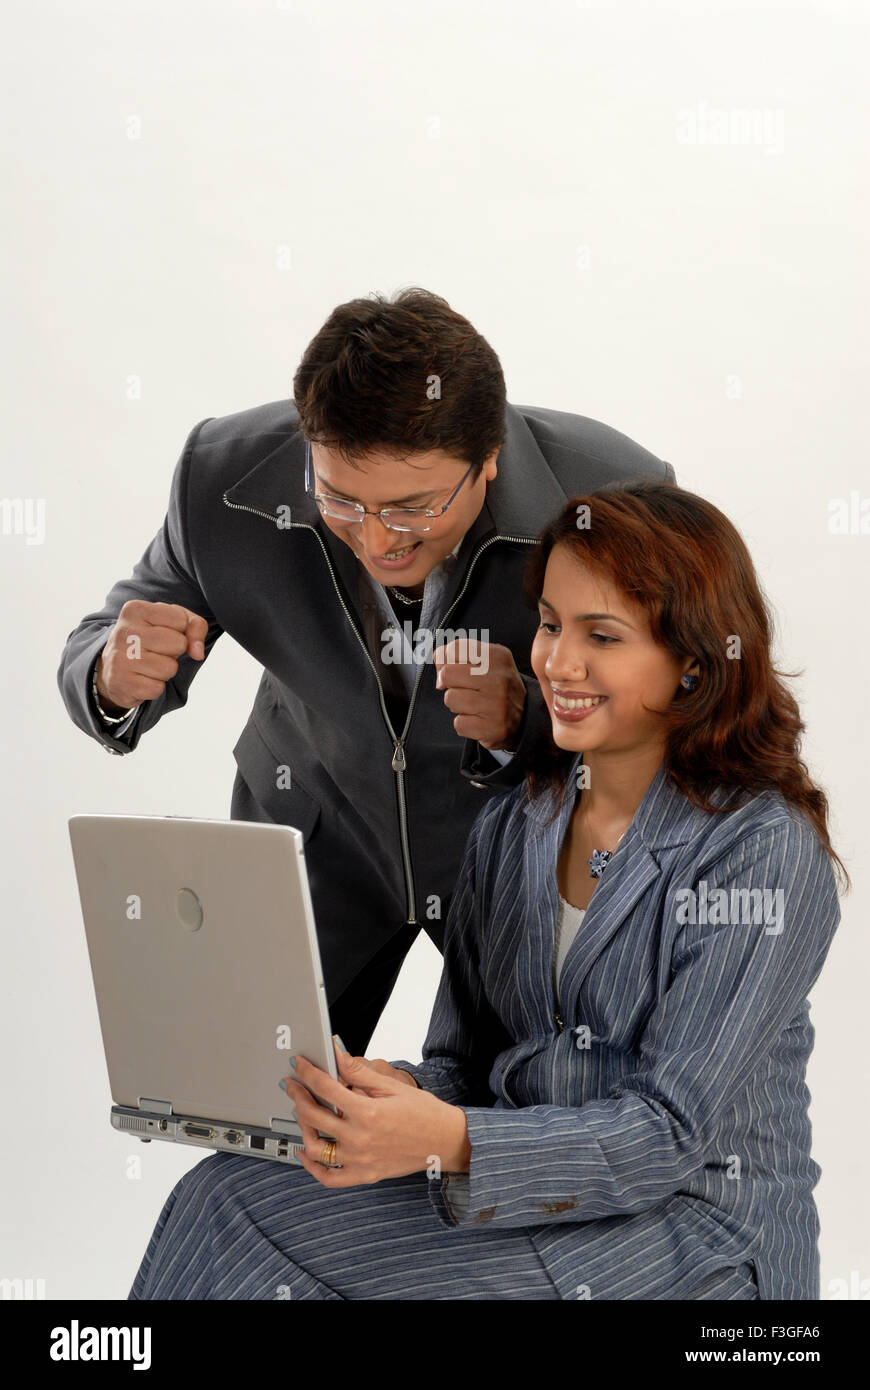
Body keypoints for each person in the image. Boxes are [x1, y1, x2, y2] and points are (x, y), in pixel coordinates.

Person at [127, 480, 846, 1301]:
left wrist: (453, 1138)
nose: (557, 662)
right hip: (532, 1197)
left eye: (601, 636)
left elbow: (668, 1134)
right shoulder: (517, 822)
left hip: (694, 1233)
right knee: (228, 1196)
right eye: (549, 623)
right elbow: (464, 1064)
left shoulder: (760, 851)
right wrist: (386, 1096)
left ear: (691, 663)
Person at [56, 287, 674, 1054]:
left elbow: (674, 712)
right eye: (341, 503)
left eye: (413, 508)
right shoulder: (219, 474)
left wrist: (530, 723)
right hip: (313, 836)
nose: (379, 541)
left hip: (520, 856)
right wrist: (110, 676)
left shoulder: (615, 495)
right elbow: (104, 634)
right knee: (260, 1117)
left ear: (489, 461)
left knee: (540, 1124)